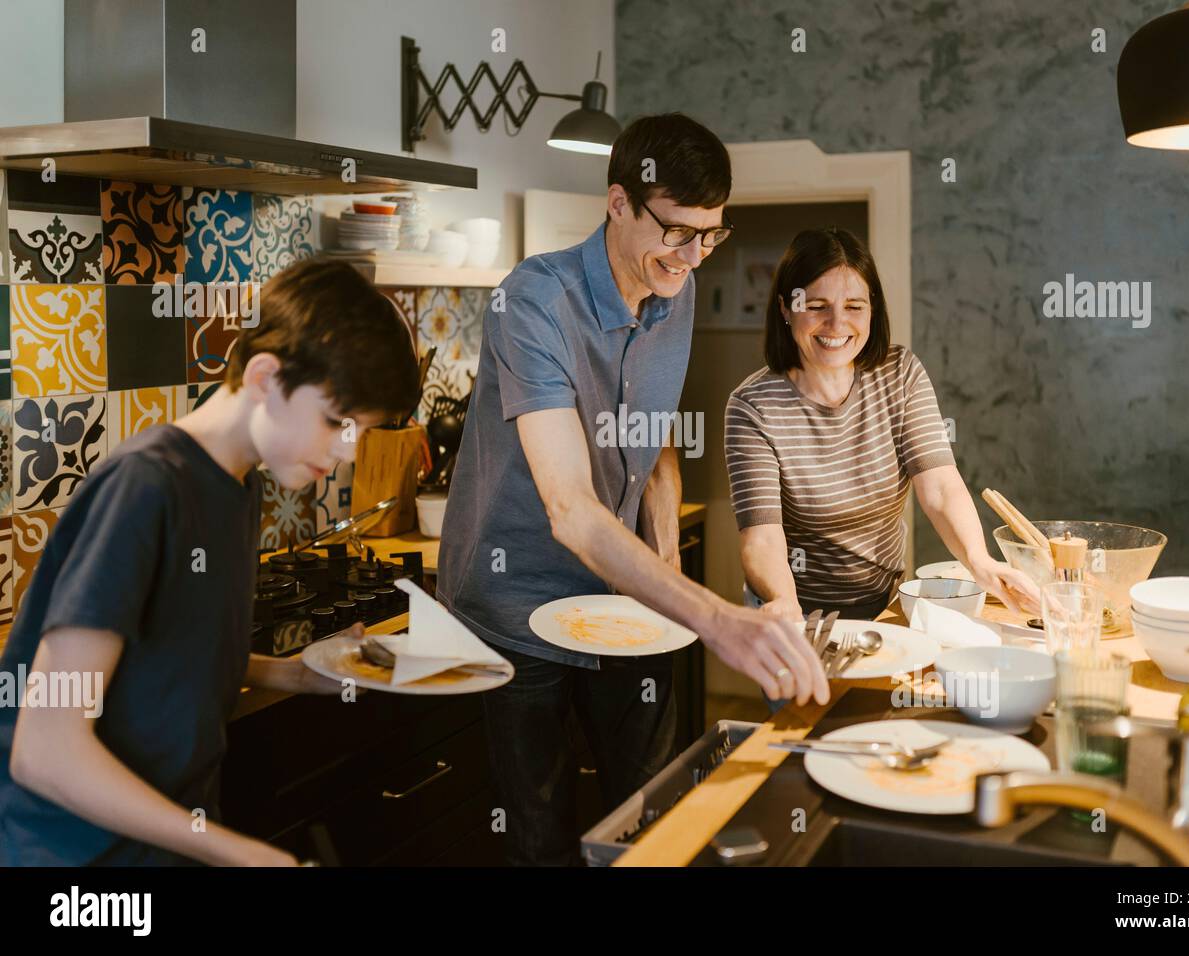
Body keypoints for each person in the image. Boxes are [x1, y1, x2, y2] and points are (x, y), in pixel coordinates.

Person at [437, 113, 829, 866]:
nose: (691, 257)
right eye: (676, 231)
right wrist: (715, 619)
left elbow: (652, 445)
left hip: (618, 602)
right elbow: (570, 509)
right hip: (512, 607)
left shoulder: (672, 290)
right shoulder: (533, 301)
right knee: (539, 838)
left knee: (654, 815)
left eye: (710, 235)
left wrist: (667, 576)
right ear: (619, 202)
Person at [0, 258, 419, 865]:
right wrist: (240, 854)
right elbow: (46, 749)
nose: (347, 454)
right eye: (336, 422)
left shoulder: (237, 482)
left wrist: (293, 673)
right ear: (265, 377)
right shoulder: (146, 488)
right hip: (77, 857)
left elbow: (165, 650)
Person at [725, 227, 1038, 637]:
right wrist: (786, 605)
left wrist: (980, 561)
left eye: (854, 306)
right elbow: (762, 538)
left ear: (872, 309)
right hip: (796, 612)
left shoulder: (900, 374)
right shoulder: (753, 407)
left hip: (887, 603)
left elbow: (940, 487)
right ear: (786, 308)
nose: (837, 323)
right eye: (817, 305)